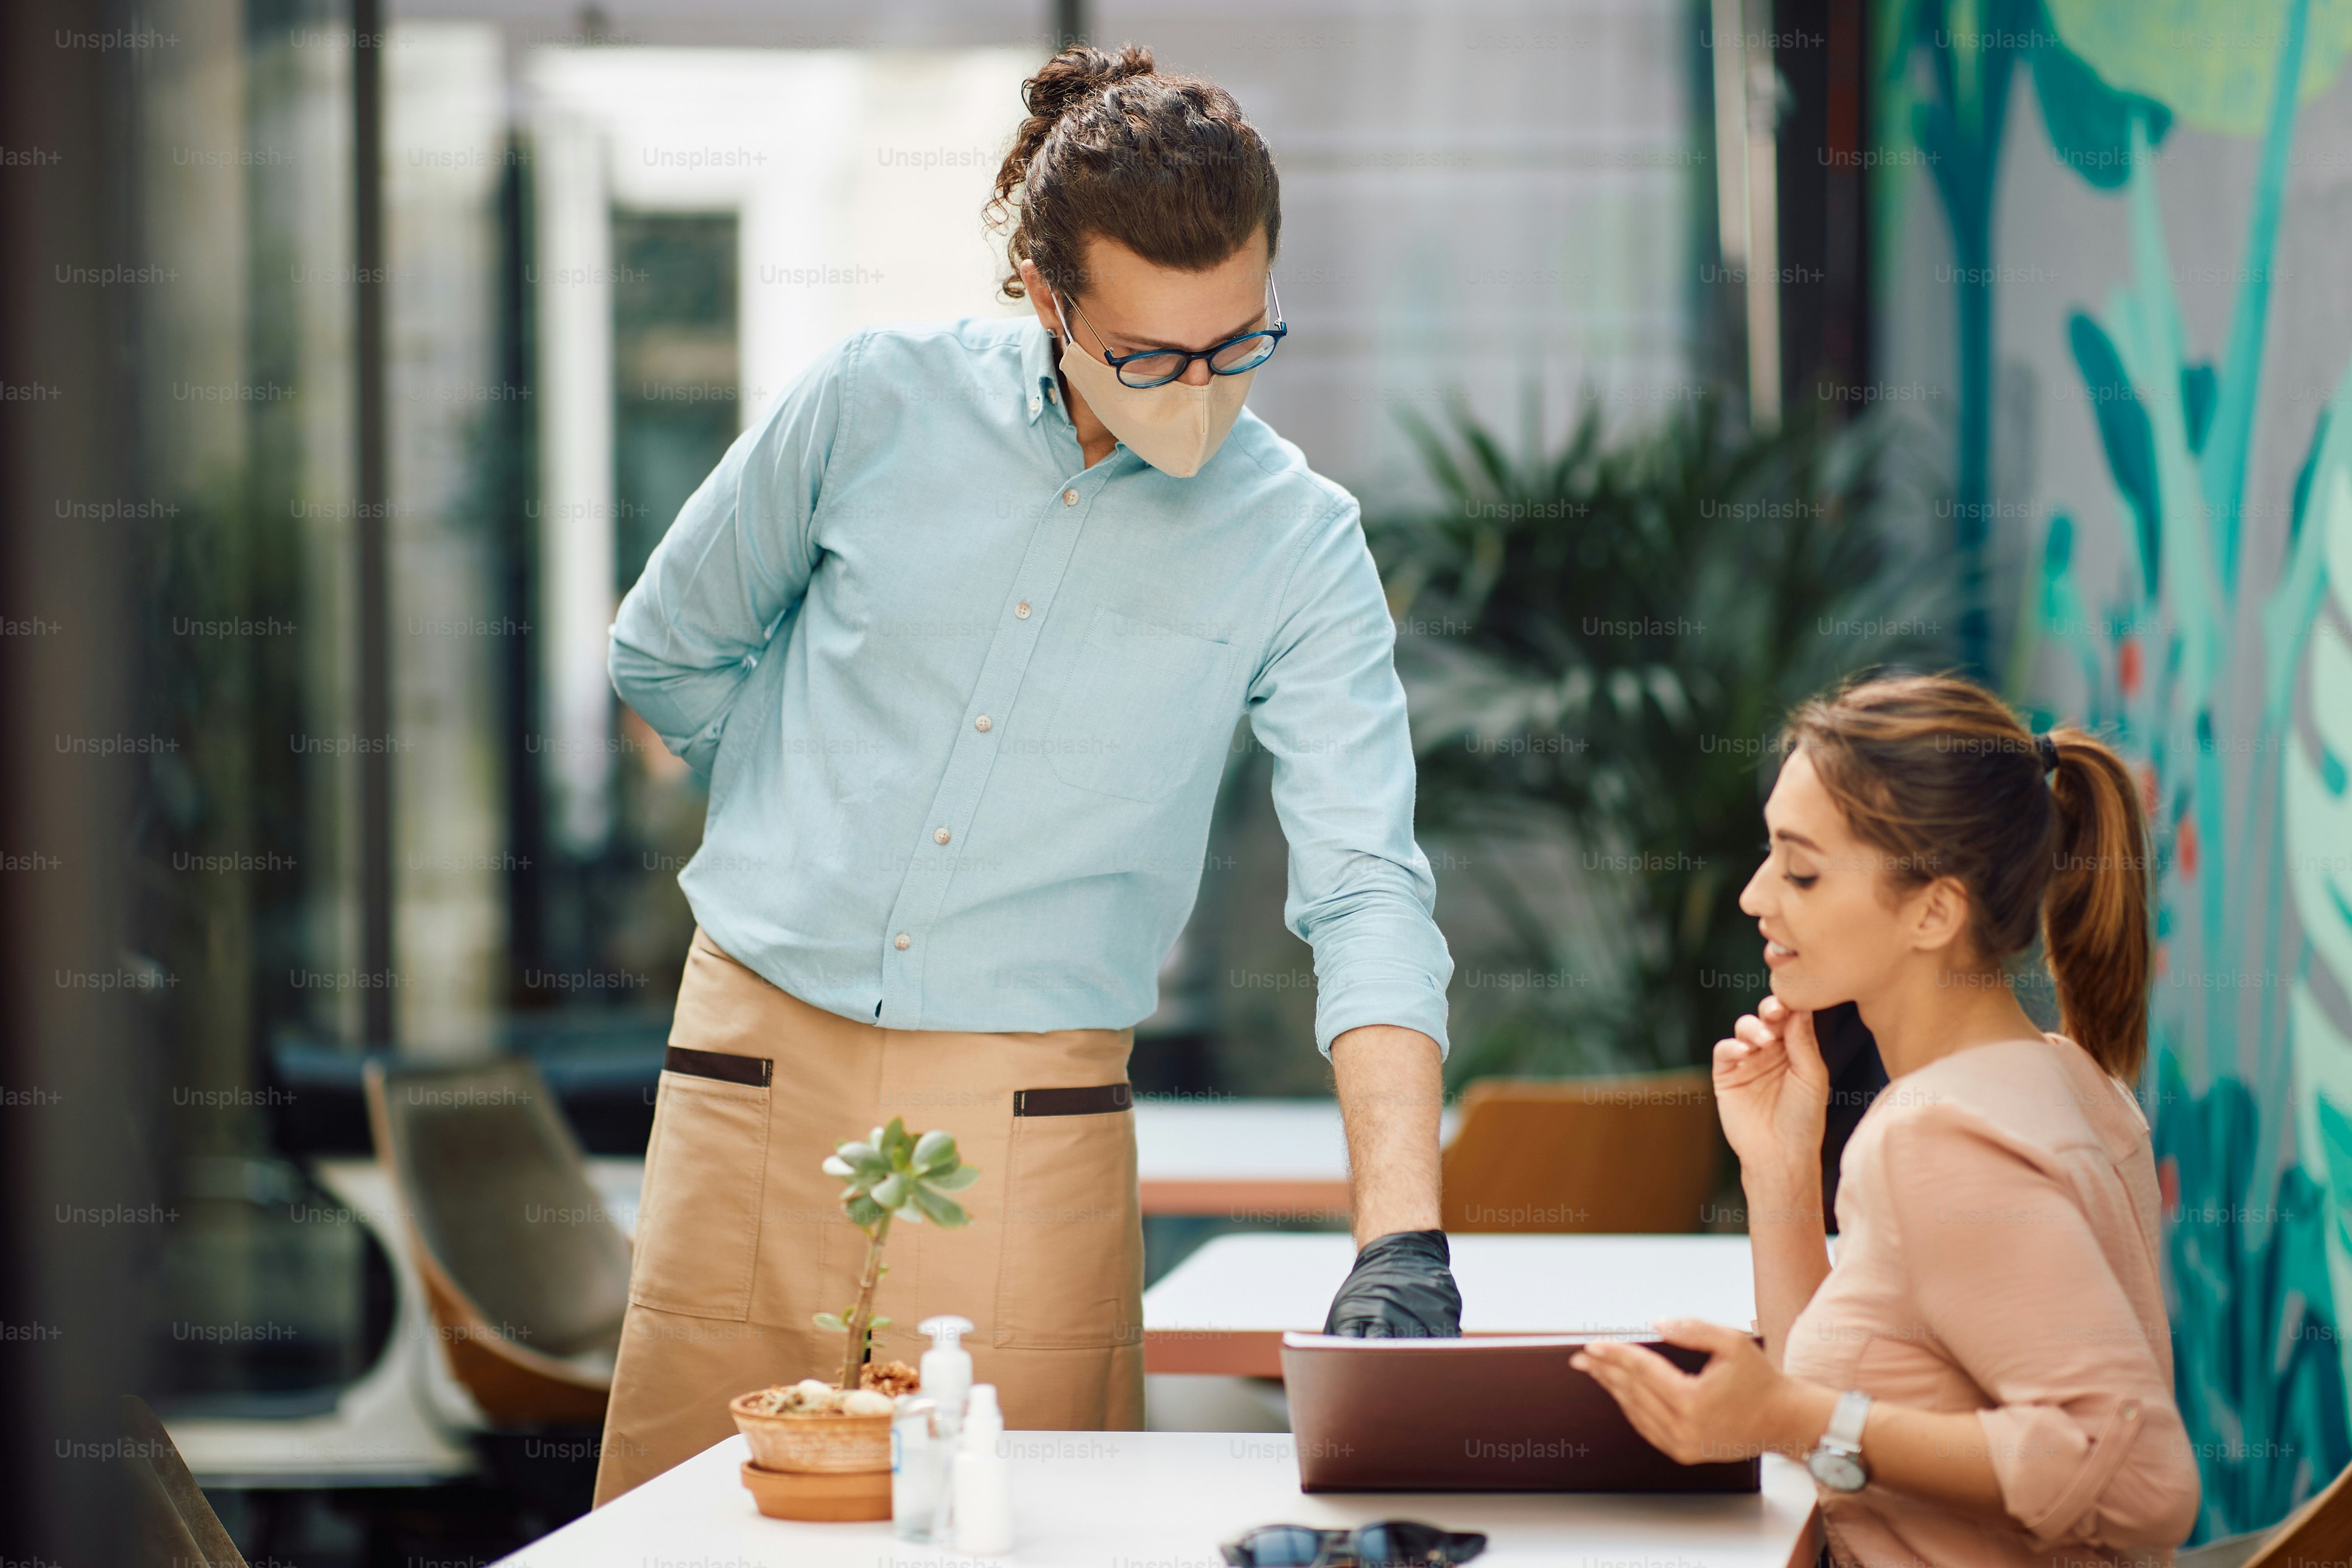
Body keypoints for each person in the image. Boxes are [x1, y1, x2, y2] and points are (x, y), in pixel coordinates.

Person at [589, 43, 1463, 1505]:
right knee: (703, 1521)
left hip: (1031, 1118)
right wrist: (808, 813)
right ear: (1050, 300)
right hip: (760, 1070)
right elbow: (667, 654)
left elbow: (1366, 884)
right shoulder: (871, 404)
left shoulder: (1301, 543)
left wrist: (1401, 1238)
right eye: (1150, 356)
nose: (1199, 391)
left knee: (1034, 1525)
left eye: (1237, 344)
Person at [1573, 674, 2199, 1566]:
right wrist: (1781, 1170)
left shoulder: (1940, 1139)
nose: (1756, 897)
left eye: (1801, 871)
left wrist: (1794, 1415)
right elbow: (1830, 1412)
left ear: (1935, 910)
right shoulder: (2073, 1082)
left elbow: (2142, 1481)